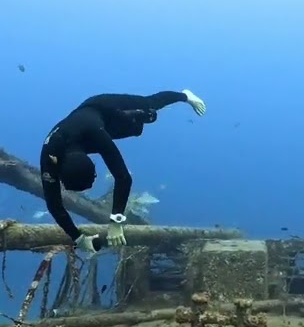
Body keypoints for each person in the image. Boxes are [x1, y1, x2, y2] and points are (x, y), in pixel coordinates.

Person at [40, 89, 207, 253]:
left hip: (102, 107)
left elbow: (124, 178)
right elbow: (54, 204)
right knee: (136, 127)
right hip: (90, 126)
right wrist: (79, 239)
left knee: (149, 107)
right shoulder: (50, 154)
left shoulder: (97, 136)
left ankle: (184, 96)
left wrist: (116, 222)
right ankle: (133, 117)